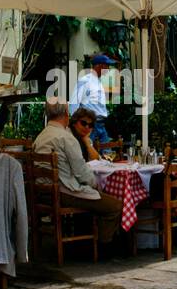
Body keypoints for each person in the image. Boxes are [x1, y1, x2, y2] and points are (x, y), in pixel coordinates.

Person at [33, 101, 123, 244]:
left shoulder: (41, 136)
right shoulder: (66, 138)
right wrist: (96, 185)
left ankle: (85, 240)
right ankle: (102, 246)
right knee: (115, 205)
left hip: (43, 192)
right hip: (64, 192)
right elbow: (82, 173)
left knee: (97, 198)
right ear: (66, 115)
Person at [70, 53, 116, 145]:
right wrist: (75, 125)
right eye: (107, 65)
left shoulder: (98, 81)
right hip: (90, 125)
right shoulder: (85, 81)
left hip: (101, 124)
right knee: (88, 154)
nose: (108, 68)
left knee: (107, 154)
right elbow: (74, 103)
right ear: (99, 66)